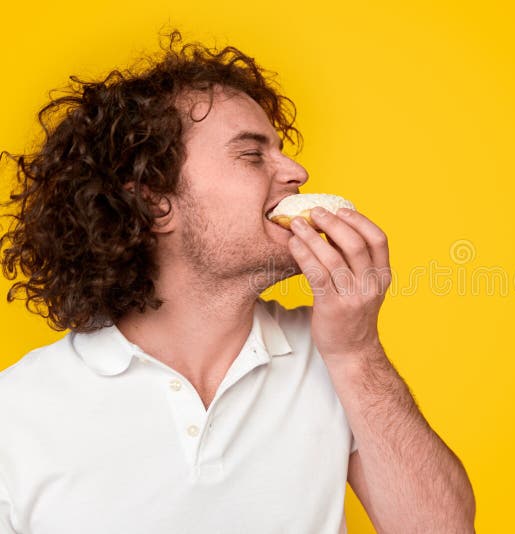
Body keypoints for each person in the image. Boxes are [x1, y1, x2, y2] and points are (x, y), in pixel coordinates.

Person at [0, 30, 476, 533]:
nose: (298, 171)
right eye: (253, 155)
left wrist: (357, 352)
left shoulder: (334, 359)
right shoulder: (17, 410)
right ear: (156, 203)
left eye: (282, 151)